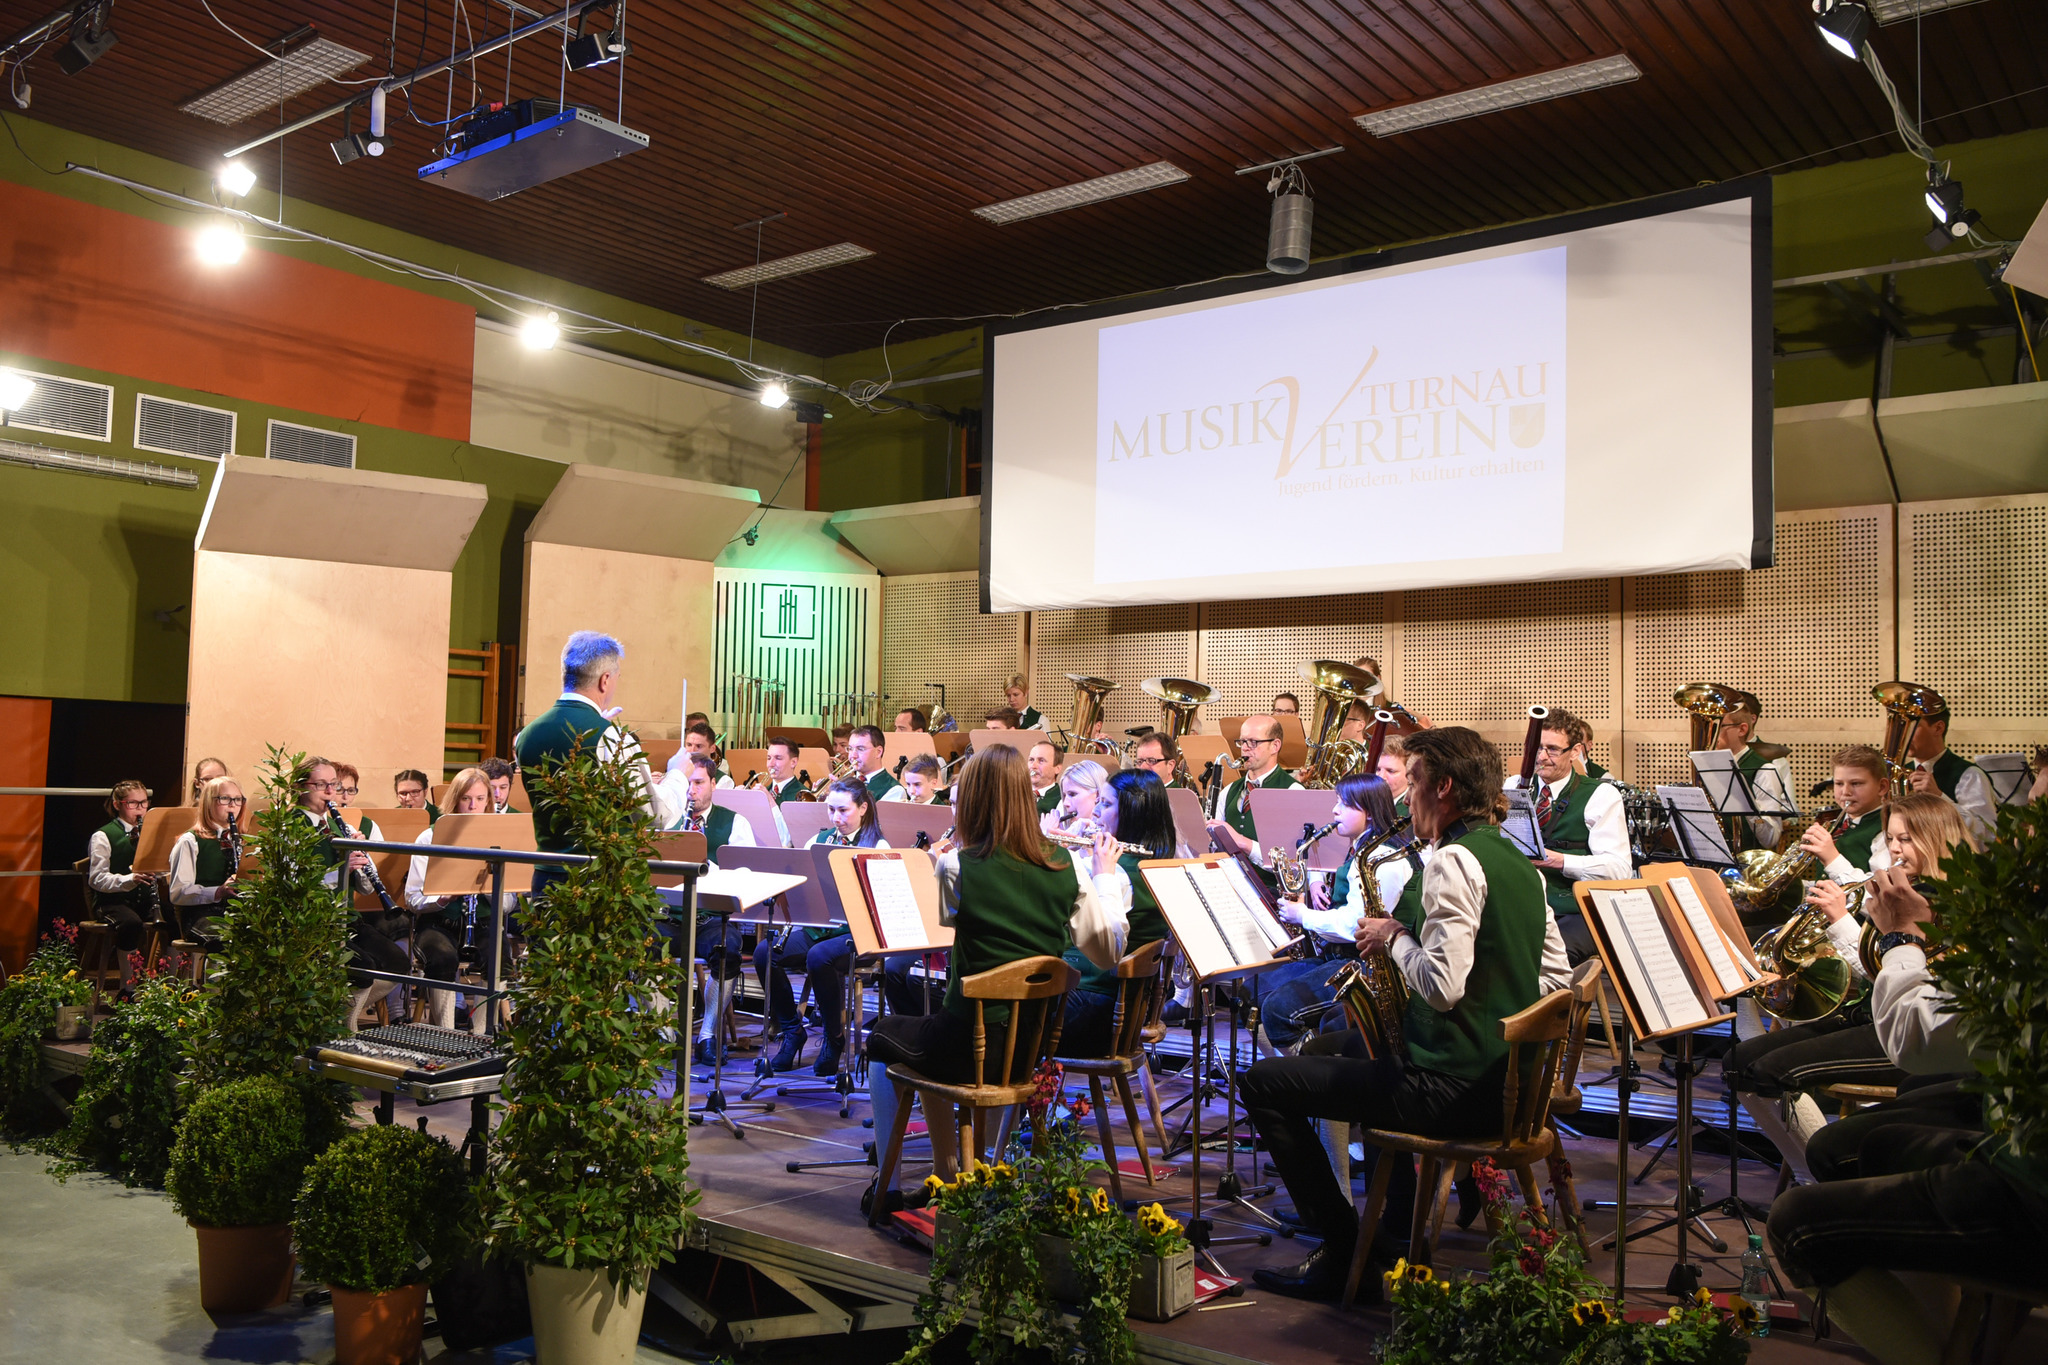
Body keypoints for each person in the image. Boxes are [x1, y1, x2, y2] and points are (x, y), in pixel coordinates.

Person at [1243, 726, 1568, 1300]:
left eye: (1411, 782)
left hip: (1452, 1088)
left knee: (1266, 1083)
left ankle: (1344, 1252)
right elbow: (1557, 979)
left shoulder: (1452, 862)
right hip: (1505, 1081)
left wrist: (1393, 936)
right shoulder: (1517, 861)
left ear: (1442, 787)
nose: (1403, 799)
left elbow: (1441, 989)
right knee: (1327, 1050)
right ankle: (1386, 1222)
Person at [1766, 848, 2048, 1365]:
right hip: (2018, 1129)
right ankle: (1951, 1327)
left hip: (2033, 1185)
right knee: (1869, 1145)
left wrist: (1901, 937)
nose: (2025, 836)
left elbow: (1913, 1039)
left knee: (1797, 1226)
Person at [862, 744, 1122, 1216]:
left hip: (969, 1044)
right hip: (1030, 1050)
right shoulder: (1068, 869)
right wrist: (1105, 878)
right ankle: (948, 1174)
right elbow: (1106, 953)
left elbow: (943, 924)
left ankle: (890, 1184)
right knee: (923, 1045)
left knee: (883, 1036)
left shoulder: (958, 865)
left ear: (974, 802)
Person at [1727, 792, 1975, 1183]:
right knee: (1738, 1063)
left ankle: (1817, 1177)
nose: (1895, 848)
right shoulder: (1900, 888)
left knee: (1766, 1073)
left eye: (1906, 839)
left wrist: (1842, 921)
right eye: (1891, 838)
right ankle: (1807, 1168)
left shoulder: (1947, 900)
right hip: (1866, 1012)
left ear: (1936, 839)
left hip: (1903, 1028)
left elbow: (1898, 979)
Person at [1259, 773, 1424, 1053]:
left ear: (1369, 813)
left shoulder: (1383, 857)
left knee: (1277, 1010)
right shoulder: (1363, 848)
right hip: (1343, 956)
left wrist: (1303, 916)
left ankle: (1308, 1074)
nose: (1335, 811)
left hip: (1371, 966)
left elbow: (1354, 926)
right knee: (1257, 986)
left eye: (1344, 804)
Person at [512, 631, 686, 895]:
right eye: (617, 678)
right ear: (605, 680)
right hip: (598, 887)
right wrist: (678, 774)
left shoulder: (527, 734)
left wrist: (599, 728)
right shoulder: (610, 738)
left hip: (546, 880)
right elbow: (654, 814)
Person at [772, 779, 897, 1077]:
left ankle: (834, 1038)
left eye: (843, 810)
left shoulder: (877, 845)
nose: (835, 818)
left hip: (858, 934)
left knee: (818, 957)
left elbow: (882, 904)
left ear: (863, 808)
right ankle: (792, 1030)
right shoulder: (819, 840)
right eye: (831, 810)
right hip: (820, 930)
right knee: (766, 953)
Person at [1501, 708, 1632, 965]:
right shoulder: (1514, 785)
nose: (1542, 757)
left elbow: (1619, 870)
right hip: (1519, 903)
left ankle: (1549, 1006)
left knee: (1543, 959)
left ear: (1575, 751)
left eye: (1552, 749)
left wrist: (1557, 860)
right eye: (1537, 749)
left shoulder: (1601, 795)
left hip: (1573, 910)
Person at [1060, 767, 1174, 1058]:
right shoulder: (1158, 864)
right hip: (1116, 1008)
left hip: (1092, 1008)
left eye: (1107, 804)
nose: (1095, 811)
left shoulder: (1117, 873)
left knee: (996, 1017)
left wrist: (1065, 858)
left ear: (1133, 815)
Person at [295, 756, 400, 1034]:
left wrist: (361, 863)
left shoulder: (339, 827)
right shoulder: (292, 827)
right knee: (362, 968)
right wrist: (341, 871)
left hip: (345, 919)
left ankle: (333, 1013)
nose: (331, 792)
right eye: (322, 785)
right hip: (312, 922)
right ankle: (346, 1029)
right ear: (299, 788)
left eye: (334, 784)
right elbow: (295, 885)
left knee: (397, 963)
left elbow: (365, 889)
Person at [667, 753, 758, 1065]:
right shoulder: (669, 819)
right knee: (637, 943)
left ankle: (707, 1033)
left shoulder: (735, 822)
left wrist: (717, 873)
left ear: (713, 784)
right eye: (688, 783)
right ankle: (663, 1034)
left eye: (698, 783)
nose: (692, 790)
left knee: (729, 950)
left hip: (709, 919)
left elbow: (747, 875)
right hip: (668, 916)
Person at [401, 767, 487, 1030]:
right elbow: (412, 899)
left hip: (481, 922)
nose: (473, 806)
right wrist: (442, 899)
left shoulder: (498, 838)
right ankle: (446, 1036)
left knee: (500, 958)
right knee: (442, 959)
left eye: (481, 799)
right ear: (454, 800)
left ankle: (484, 1035)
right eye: (466, 799)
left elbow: (509, 904)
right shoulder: (429, 838)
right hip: (437, 923)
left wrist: (490, 888)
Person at [1206, 714, 1303, 865]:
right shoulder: (1228, 791)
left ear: (1275, 746)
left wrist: (1244, 843)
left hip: (1272, 887)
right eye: (1242, 741)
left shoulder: (1293, 792)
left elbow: (1293, 862)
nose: (1244, 748)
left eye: (1253, 742)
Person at [1900, 697, 1997, 847]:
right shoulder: (1899, 774)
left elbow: (1987, 837)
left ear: (1938, 728)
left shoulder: (1969, 775)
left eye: (1912, 726)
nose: (1903, 734)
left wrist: (1940, 798)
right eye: (1902, 726)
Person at [87, 779, 158, 974]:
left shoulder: (151, 833)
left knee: (174, 918)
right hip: (111, 901)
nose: (140, 809)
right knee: (131, 923)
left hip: (143, 900)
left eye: (144, 803)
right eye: (133, 803)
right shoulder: (103, 835)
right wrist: (129, 879)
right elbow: (97, 879)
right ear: (117, 805)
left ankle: (170, 987)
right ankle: (129, 988)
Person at [168, 776, 247, 943]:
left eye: (238, 799)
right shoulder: (190, 841)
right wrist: (218, 891)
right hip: (199, 914)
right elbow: (178, 893)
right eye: (225, 799)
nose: (232, 804)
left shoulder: (243, 840)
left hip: (234, 913)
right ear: (208, 803)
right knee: (226, 940)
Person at [1801, 745, 1894, 886]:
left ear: (1882, 787)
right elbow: (1826, 883)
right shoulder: (1835, 824)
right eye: (1838, 784)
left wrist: (1831, 858)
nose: (1845, 792)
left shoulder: (1889, 830)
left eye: (1856, 783)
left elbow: (1877, 891)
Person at [1716, 694, 1794, 851]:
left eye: (1720, 726)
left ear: (1742, 729)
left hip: (1748, 862)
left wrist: (1749, 806)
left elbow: (1770, 839)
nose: (1711, 732)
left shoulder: (1765, 769)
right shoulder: (1710, 766)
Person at [846, 724, 905, 802]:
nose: (853, 755)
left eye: (860, 749)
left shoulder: (894, 790)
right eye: (850, 749)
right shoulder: (847, 782)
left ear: (878, 752)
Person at [681, 721, 734, 789]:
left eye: (699, 746)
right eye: (689, 745)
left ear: (712, 748)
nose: (692, 750)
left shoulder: (724, 781)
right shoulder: (677, 774)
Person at [761, 737, 810, 806]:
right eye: (769, 758)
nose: (771, 764)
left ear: (793, 762)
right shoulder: (764, 791)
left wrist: (769, 800)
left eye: (778, 758)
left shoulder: (804, 796)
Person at [1027, 739, 1062, 814]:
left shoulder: (1061, 798)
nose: (1033, 766)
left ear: (1057, 768)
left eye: (1041, 760)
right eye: (1031, 760)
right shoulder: (1015, 792)